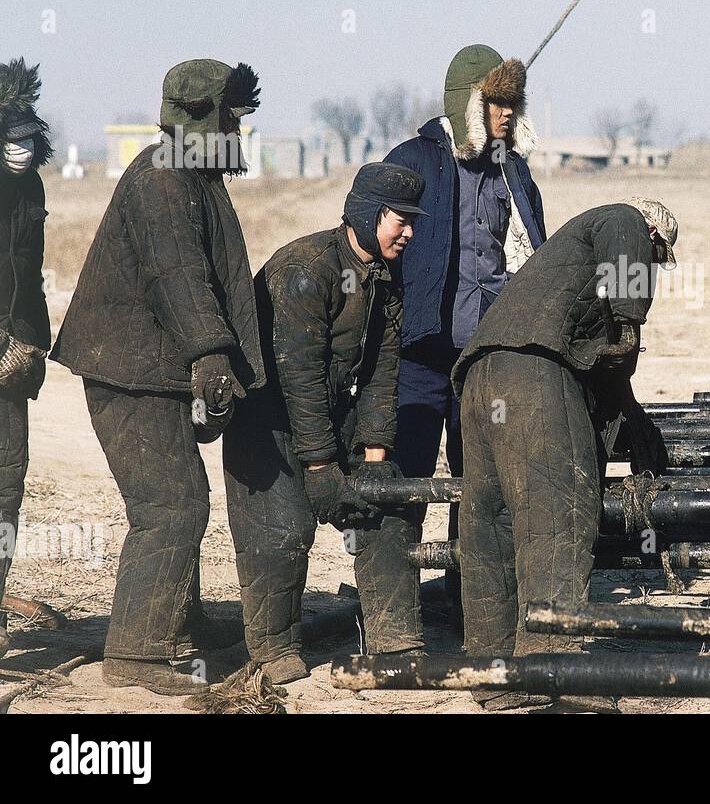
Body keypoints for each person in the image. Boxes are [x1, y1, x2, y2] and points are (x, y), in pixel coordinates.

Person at [51, 59, 265, 694]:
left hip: (146, 369)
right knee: (172, 503)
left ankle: (179, 624)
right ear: (203, 119)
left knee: (178, 497)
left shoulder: (190, 176)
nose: (237, 127)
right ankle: (139, 652)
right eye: (230, 115)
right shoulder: (166, 181)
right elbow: (178, 279)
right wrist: (212, 354)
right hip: (129, 374)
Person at [450, 199, 676, 711]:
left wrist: (629, 414)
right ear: (655, 236)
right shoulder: (625, 219)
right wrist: (631, 320)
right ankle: (555, 665)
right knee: (558, 515)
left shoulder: (560, 264)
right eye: (656, 256)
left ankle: (493, 675)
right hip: (534, 375)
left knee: (493, 522)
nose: (652, 265)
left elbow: (604, 372)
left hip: (481, 376)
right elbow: (627, 274)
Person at [221, 163, 426, 683]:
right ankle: (272, 648)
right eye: (398, 219)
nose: (409, 232)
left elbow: (383, 366)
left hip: (327, 413)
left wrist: (375, 455)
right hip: (266, 423)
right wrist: (319, 467)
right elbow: (300, 376)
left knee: (390, 502)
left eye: (412, 220)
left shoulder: (384, 273)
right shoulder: (306, 270)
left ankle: (393, 637)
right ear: (365, 213)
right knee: (283, 531)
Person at [383, 44, 546, 617]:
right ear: (467, 104)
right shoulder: (413, 161)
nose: (505, 114)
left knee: (481, 486)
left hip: (485, 361)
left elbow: (531, 258)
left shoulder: (516, 173)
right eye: (494, 102)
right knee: (404, 486)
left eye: (512, 102)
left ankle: (468, 606)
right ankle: (390, 614)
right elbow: (370, 250)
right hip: (418, 357)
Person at [0, 58, 52, 658]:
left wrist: (29, 341)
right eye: (7, 140)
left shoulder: (31, 184)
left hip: (12, 357)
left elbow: (29, 275)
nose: (17, 151)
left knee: (6, 485)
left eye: (23, 140)